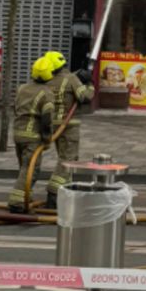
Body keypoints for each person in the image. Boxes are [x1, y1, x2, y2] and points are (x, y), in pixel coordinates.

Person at [43, 51, 94, 210]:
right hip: (68, 125)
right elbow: (85, 97)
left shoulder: (48, 80)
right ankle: (54, 190)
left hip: (51, 124)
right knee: (68, 159)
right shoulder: (71, 79)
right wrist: (89, 83)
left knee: (63, 157)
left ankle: (67, 189)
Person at [7, 56, 56, 214]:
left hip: (17, 133)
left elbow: (15, 108)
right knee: (31, 169)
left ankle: (26, 197)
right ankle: (17, 201)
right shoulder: (47, 93)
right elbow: (47, 118)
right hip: (32, 136)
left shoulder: (22, 88)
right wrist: (47, 137)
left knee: (23, 167)